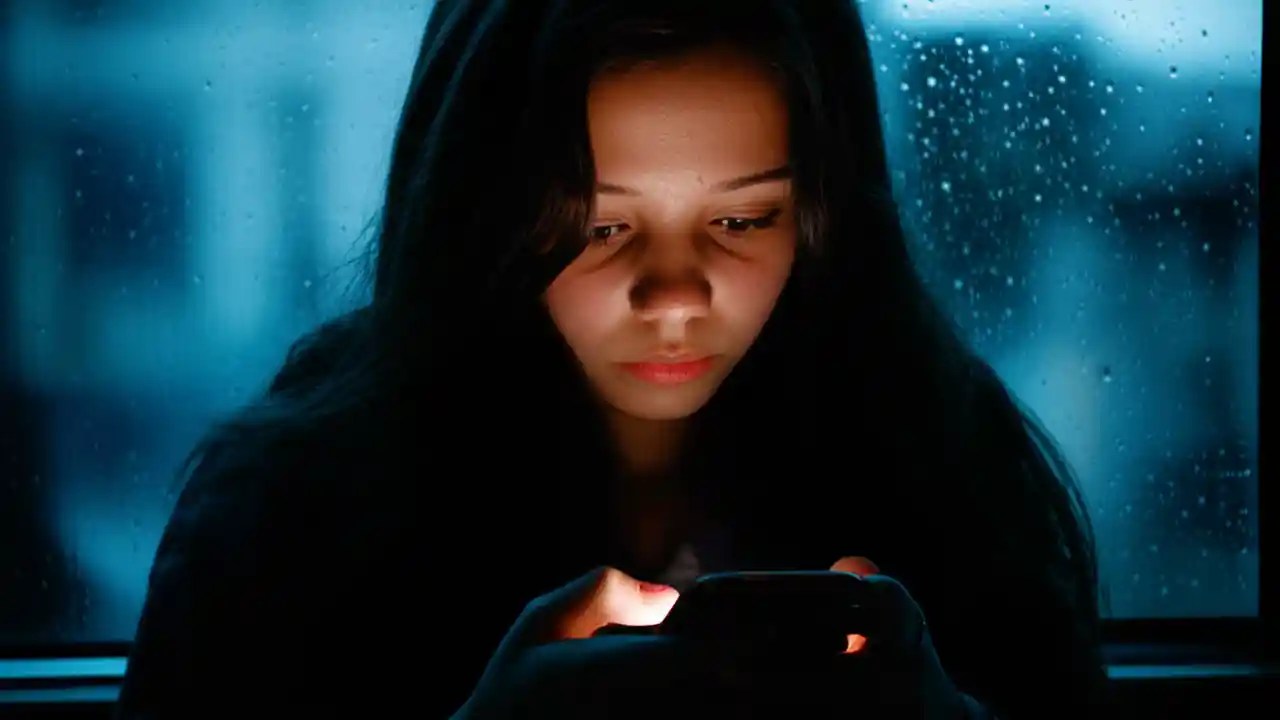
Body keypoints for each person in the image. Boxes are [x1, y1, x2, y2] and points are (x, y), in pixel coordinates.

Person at [115, 0, 1108, 717]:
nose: (672, 293)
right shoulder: (297, 500)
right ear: (487, 219)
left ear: (819, 217)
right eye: (594, 229)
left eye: (738, 218)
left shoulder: (940, 461)